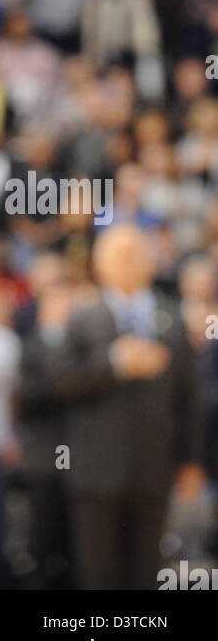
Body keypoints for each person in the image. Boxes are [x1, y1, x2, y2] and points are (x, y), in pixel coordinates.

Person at [51, 224, 204, 590]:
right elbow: (59, 382)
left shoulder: (171, 318)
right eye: (120, 255)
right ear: (100, 264)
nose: (130, 262)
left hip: (154, 466)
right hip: (95, 471)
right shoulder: (80, 316)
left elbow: (191, 398)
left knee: (148, 570)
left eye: (137, 253)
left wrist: (193, 461)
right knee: (98, 573)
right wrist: (115, 365)